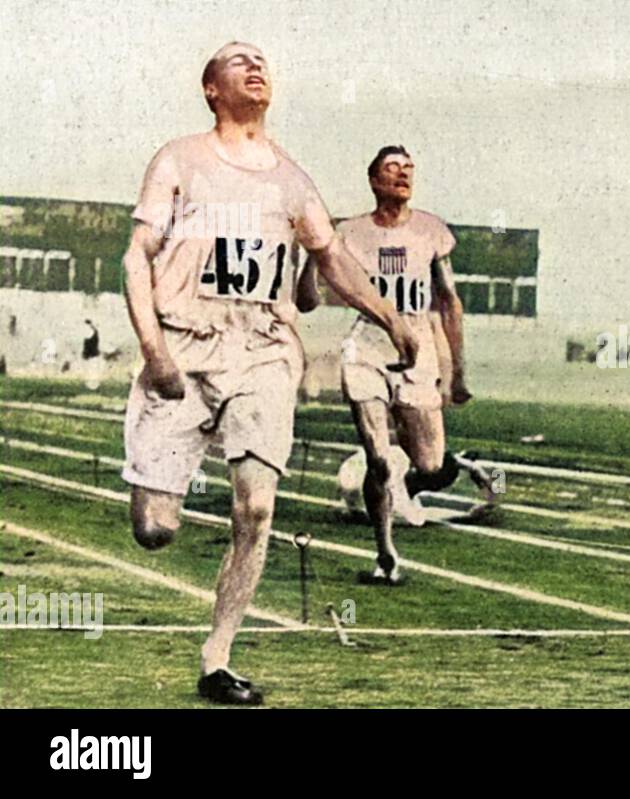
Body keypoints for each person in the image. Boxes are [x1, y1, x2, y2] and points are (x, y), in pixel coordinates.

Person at [121, 42, 419, 705]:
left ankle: (216, 659)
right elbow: (135, 258)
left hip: (261, 348)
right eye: (237, 61)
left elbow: (332, 257)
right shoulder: (179, 160)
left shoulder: (291, 179)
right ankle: (153, 481)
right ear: (209, 87)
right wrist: (154, 349)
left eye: (262, 61)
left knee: (255, 507)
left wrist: (388, 314)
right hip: (184, 344)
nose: (255, 68)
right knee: (155, 529)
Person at [309, 145, 497, 585]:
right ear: (374, 181)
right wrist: (311, 254)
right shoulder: (351, 232)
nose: (402, 175)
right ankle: (386, 554)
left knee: (430, 465)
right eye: (392, 168)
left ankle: (421, 462)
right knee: (378, 459)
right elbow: (315, 287)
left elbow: (449, 302)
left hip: (418, 346)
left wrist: (459, 374)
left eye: (409, 168)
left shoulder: (431, 231)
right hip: (368, 346)